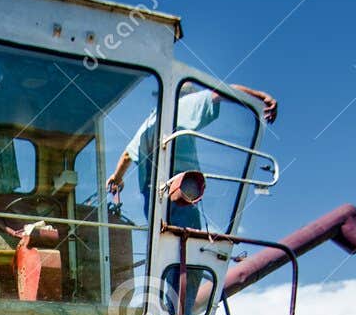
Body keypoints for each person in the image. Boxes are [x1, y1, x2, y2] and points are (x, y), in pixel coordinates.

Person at [106, 83, 277, 227]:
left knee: (162, 245)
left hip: (151, 199)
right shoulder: (183, 104)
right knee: (187, 248)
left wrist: (117, 177)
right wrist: (260, 97)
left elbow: (127, 156)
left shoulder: (147, 124)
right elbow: (221, 92)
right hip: (180, 190)